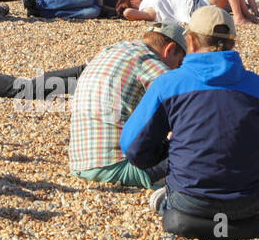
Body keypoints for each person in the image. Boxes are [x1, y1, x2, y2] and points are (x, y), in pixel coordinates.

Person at [121, 6, 259, 240]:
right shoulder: (258, 88)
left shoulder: (169, 84)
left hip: (189, 204)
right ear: (233, 44)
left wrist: (166, 152)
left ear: (190, 41)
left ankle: (165, 201)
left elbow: (133, 147)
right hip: (246, 207)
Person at [69, 23, 184, 187]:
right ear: (170, 50)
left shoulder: (111, 50)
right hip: (116, 166)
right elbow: (184, 102)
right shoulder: (147, 60)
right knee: (202, 153)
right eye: (179, 63)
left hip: (80, 163)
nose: (177, 69)